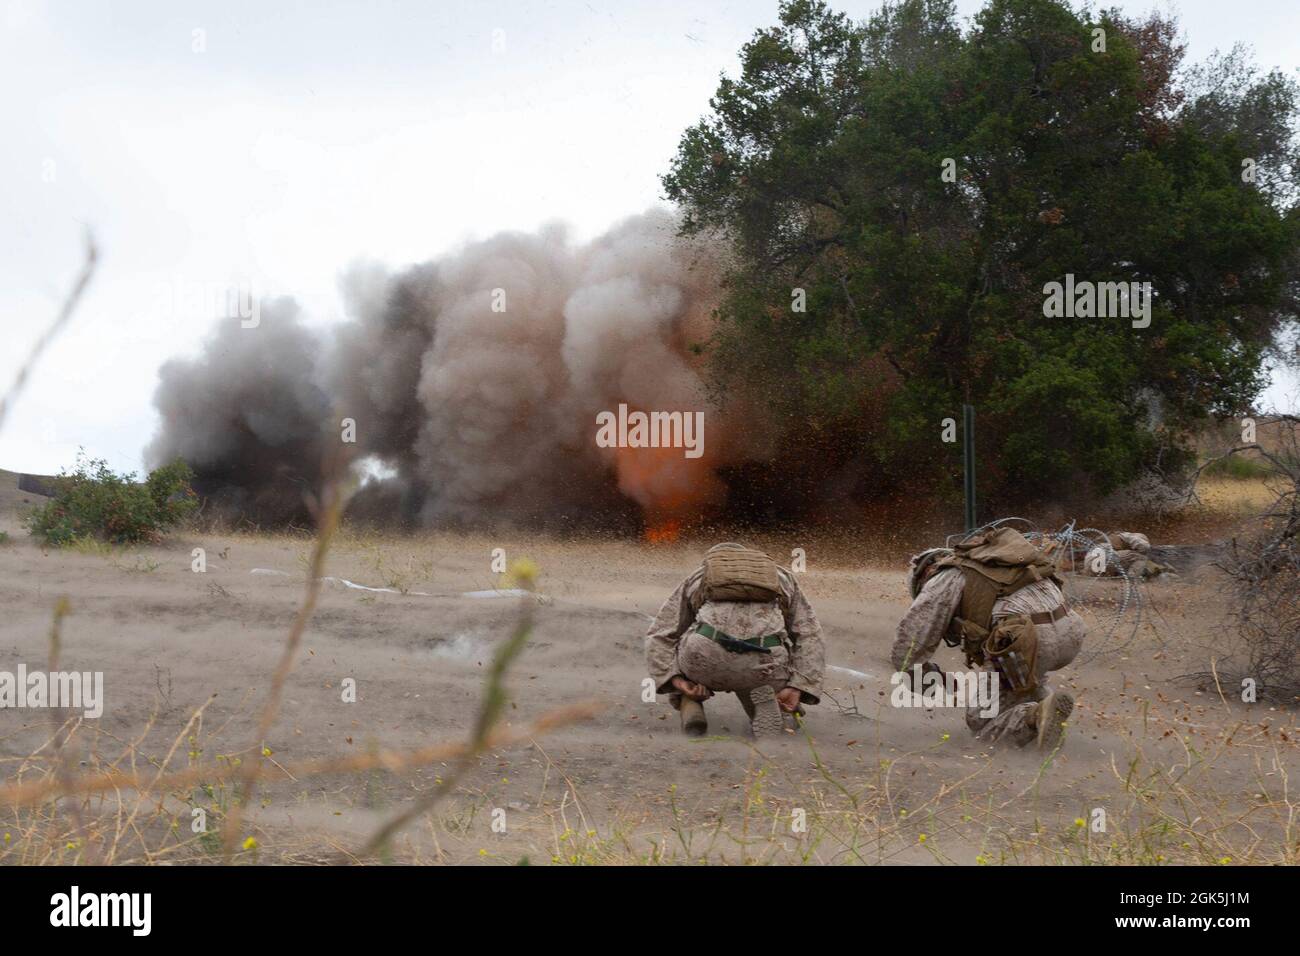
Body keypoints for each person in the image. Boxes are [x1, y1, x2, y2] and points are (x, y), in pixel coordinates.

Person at [892, 527, 1085, 750]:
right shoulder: (994, 562)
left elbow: (909, 644)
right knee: (1025, 681)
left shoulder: (944, 578)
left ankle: (1034, 716)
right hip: (1071, 630)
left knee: (981, 718)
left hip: (1026, 640)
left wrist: (923, 677)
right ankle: (1046, 708)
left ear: (923, 577)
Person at [645, 543, 824, 737]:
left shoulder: (700, 576)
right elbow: (809, 635)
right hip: (764, 666)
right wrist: (798, 687)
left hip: (704, 663)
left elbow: (660, 633)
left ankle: (690, 703)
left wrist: (675, 681)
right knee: (768, 662)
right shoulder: (782, 576)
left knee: (685, 640)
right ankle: (773, 709)